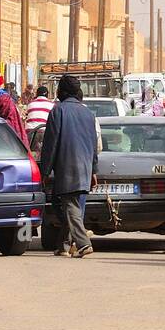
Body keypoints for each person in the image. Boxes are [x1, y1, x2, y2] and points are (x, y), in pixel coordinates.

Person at [39, 74, 100, 258]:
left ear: (61, 91)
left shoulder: (58, 111)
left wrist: (45, 171)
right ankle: (63, 246)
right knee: (72, 206)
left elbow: (50, 144)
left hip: (67, 166)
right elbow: (93, 144)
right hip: (85, 166)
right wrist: (94, 170)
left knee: (70, 206)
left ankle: (83, 244)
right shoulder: (88, 113)